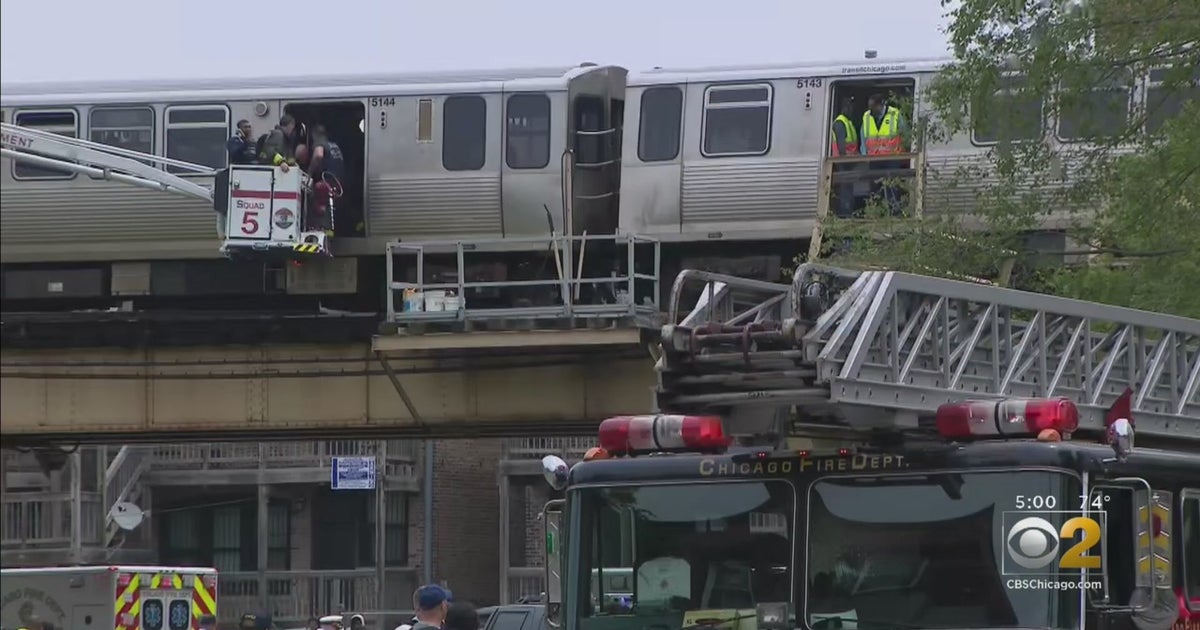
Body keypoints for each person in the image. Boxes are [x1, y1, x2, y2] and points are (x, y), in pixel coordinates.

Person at [859, 94, 908, 214]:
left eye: (873, 107)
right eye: (869, 107)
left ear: (881, 104)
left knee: (892, 187)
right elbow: (863, 136)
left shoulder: (895, 114)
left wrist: (903, 154)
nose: (871, 110)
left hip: (892, 158)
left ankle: (894, 213)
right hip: (874, 159)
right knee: (875, 188)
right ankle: (877, 213)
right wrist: (864, 154)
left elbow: (905, 134)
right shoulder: (867, 116)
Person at [306, 124, 345, 234]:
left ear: (315, 135)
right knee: (330, 207)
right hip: (338, 181)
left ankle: (318, 229)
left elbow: (318, 155)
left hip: (326, 180)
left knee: (312, 198)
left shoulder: (319, 142)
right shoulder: (334, 145)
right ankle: (329, 232)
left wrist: (309, 172)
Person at [829, 97, 860, 218]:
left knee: (848, 189)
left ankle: (847, 213)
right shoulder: (840, 123)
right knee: (845, 190)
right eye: (850, 107)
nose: (851, 110)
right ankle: (845, 215)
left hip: (849, 161)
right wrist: (847, 157)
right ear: (845, 108)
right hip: (843, 162)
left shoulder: (848, 122)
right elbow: (842, 147)